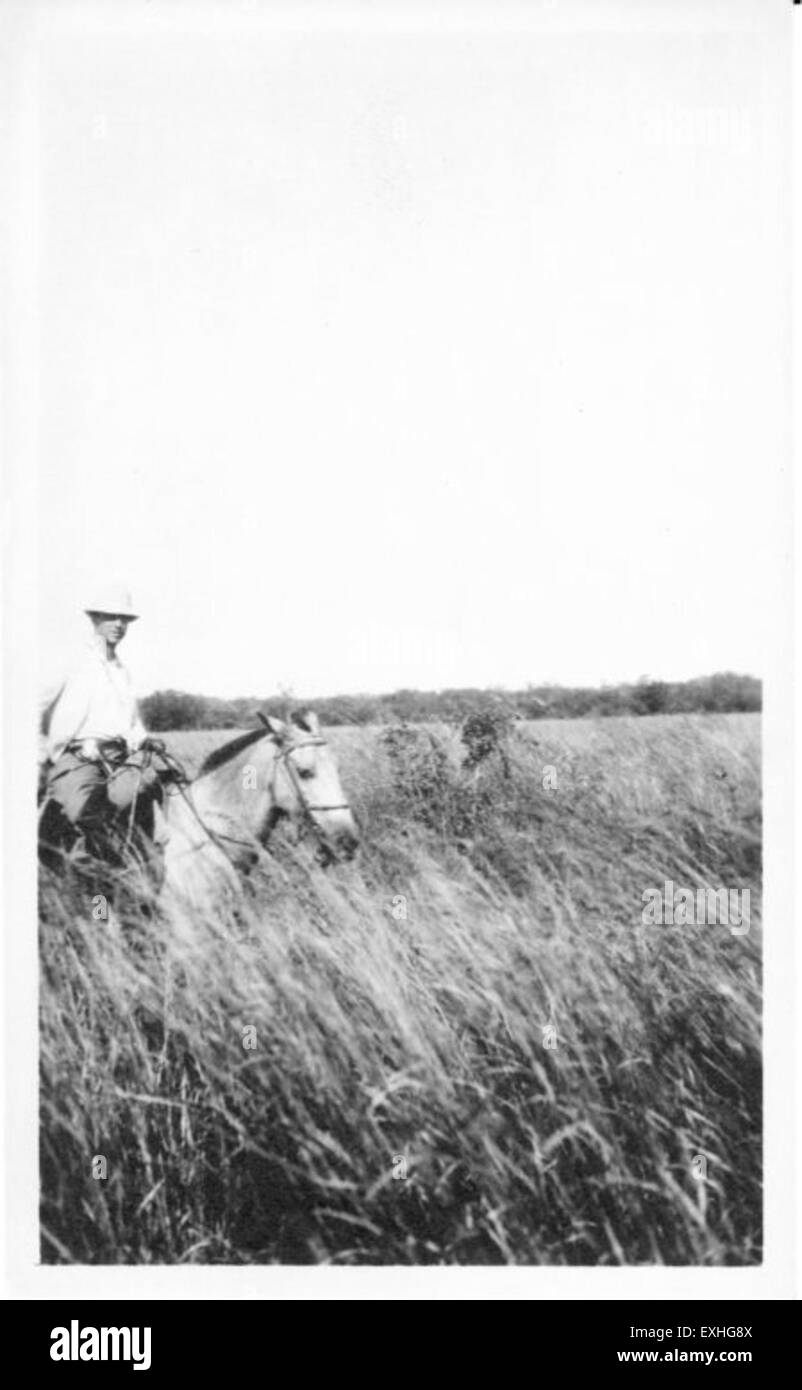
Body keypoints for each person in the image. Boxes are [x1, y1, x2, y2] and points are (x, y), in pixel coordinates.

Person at [42, 585, 166, 859]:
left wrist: (143, 738)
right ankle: (97, 892)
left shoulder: (122, 671)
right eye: (111, 617)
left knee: (165, 786)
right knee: (89, 819)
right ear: (95, 619)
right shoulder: (72, 660)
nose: (119, 625)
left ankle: (156, 863)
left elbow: (132, 721)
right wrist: (41, 753)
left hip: (122, 756)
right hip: (79, 759)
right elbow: (33, 705)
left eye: (125, 620)